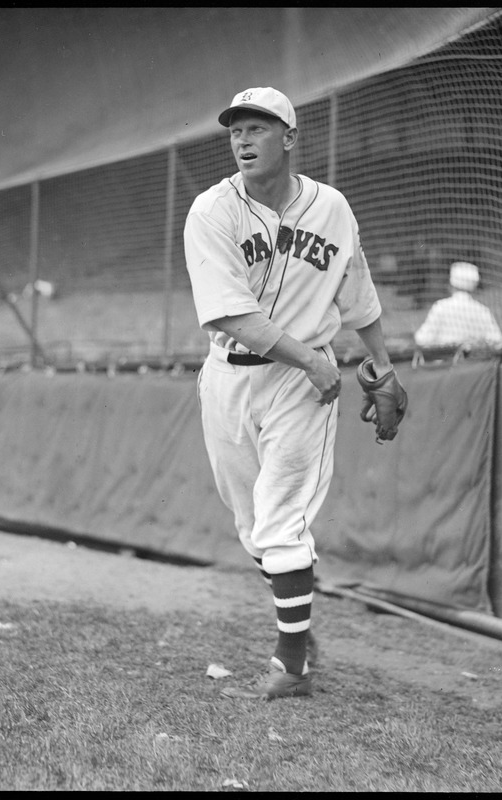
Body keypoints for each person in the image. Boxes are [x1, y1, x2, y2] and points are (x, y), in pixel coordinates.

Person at [184, 87, 407, 699]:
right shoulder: (211, 211)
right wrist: (312, 359)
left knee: (282, 521)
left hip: (302, 386)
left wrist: (382, 365)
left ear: (289, 138)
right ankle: (298, 626)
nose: (244, 139)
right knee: (253, 527)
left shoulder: (331, 207)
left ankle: (291, 666)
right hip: (230, 375)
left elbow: (356, 292)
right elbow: (230, 315)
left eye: (259, 127)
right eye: (236, 130)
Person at [413, 261, 502, 350]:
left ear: (451, 285)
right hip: (476, 363)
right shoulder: (482, 311)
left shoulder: (441, 307)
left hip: (446, 362)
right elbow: (497, 341)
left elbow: (422, 340)